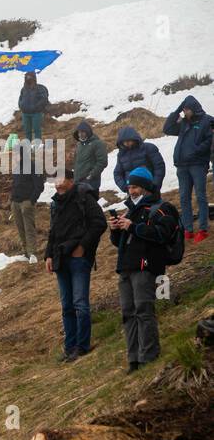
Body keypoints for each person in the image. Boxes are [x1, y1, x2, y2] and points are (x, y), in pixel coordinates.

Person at [108, 168, 181, 372]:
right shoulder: (131, 210)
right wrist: (116, 230)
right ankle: (133, 358)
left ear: (146, 187)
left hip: (147, 268)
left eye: (135, 186)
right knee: (128, 313)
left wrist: (133, 227)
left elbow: (163, 235)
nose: (131, 191)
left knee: (143, 311)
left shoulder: (163, 208)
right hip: (126, 268)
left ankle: (148, 355)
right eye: (130, 187)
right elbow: (120, 242)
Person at [45, 170, 108, 362]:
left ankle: (82, 346)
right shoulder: (56, 203)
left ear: (71, 181)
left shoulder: (84, 198)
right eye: (55, 181)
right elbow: (53, 232)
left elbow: (99, 223)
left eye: (61, 180)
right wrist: (48, 255)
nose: (58, 184)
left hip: (79, 259)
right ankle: (69, 347)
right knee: (67, 306)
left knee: (80, 304)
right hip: (60, 258)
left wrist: (82, 247)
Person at [162, 95, 212, 243]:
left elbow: (210, 140)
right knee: (184, 197)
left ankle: (203, 228)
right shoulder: (184, 122)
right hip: (182, 165)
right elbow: (167, 128)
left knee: (200, 196)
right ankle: (188, 229)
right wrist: (177, 110)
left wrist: (196, 150)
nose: (184, 112)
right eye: (183, 110)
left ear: (194, 108)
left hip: (197, 164)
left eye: (186, 109)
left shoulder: (208, 121)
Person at [10, 140, 43, 263]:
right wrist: (12, 199)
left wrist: (31, 200)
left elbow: (39, 185)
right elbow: (15, 184)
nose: (14, 156)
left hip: (26, 202)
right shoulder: (16, 167)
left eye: (16, 154)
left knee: (29, 228)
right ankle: (25, 252)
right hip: (15, 202)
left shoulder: (33, 166)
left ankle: (32, 253)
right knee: (20, 228)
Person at [111, 126, 166, 196]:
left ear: (134, 139)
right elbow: (117, 173)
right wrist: (125, 187)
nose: (126, 143)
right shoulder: (122, 154)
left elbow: (159, 167)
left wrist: (155, 185)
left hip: (149, 189)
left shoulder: (148, 148)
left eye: (128, 140)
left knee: (154, 207)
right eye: (124, 142)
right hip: (132, 192)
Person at [71, 121, 107, 197]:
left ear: (88, 132)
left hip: (91, 183)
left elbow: (102, 162)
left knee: (91, 206)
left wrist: (91, 175)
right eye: (79, 132)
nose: (80, 134)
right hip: (78, 182)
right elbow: (77, 163)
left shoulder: (97, 143)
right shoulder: (79, 145)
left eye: (83, 132)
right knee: (79, 206)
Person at [18, 71, 50, 142]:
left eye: (30, 77)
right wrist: (21, 105)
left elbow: (43, 99)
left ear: (34, 78)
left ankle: (37, 145)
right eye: (27, 77)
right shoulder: (24, 89)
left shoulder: (39, 88)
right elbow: (20, 98)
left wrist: (36, 107)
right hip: (25, 113)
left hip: (36, 113)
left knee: (37, 130)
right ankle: (28, 144)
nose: (28, 79)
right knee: (27, 130)